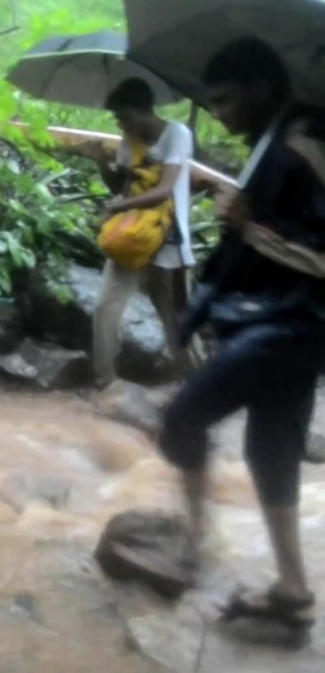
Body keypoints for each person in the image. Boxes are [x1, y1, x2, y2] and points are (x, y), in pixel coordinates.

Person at [154, 38, 325, 629]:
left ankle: (198, 542)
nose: (220, 115)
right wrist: (195, 315)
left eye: (225, 101)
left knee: (182, 418)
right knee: (268, 449)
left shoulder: (306, 146)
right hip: (272, 322)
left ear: (261, 88)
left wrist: (254, 226)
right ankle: (294, 587)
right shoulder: (271, 146)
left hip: (294, 325)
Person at [82, 78, 202, 387]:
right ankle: (105, 381)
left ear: (146, 111)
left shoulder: (177, 134)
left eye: (125, 116)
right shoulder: (128, 141)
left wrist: (118, 208)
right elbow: (119, 188)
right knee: (105, 308)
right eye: (118, 119)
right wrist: (100, 162)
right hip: (133, 236)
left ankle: (196, 380)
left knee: (174, 314)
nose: (122, 124)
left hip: (168, 238)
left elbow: (164, 190)